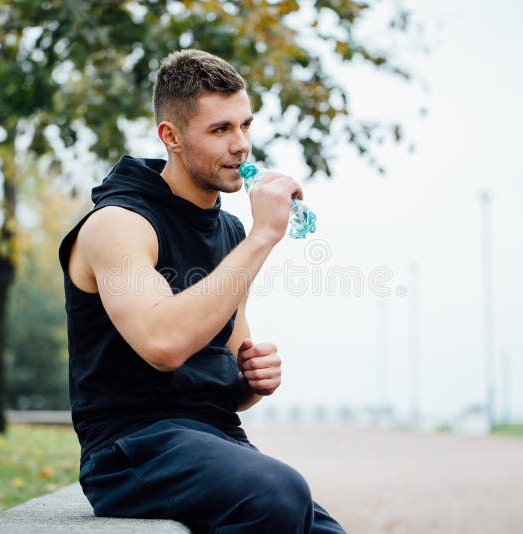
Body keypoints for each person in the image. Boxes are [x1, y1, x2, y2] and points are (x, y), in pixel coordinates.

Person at [58, 49, 345, 533]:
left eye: (245, 126)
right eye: (220, 130)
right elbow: (163, 346)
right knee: (281, 492)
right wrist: (262, 237)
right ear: (170, 136)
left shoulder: (229, 233)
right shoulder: (119, 225)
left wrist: (250, 381)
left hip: (215, 439)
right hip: (130, 450)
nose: (241, 146)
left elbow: (226, 379)